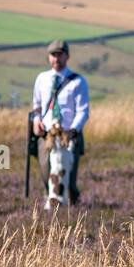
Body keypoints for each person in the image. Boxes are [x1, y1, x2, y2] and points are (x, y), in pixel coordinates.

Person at [30, 40, 90, 204]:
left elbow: (83, 111)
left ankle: (73, 211)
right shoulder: (42, 78)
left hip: (68, 135)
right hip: (47, 134)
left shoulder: (78, 81)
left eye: (59, 54)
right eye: (53, 55)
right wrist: (36, 121)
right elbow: (36, 105)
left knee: (68, 176)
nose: (56, 58)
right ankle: (52, 206)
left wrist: (73, 130)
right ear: (49, 57)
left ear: (67, 56)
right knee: (45, 172)